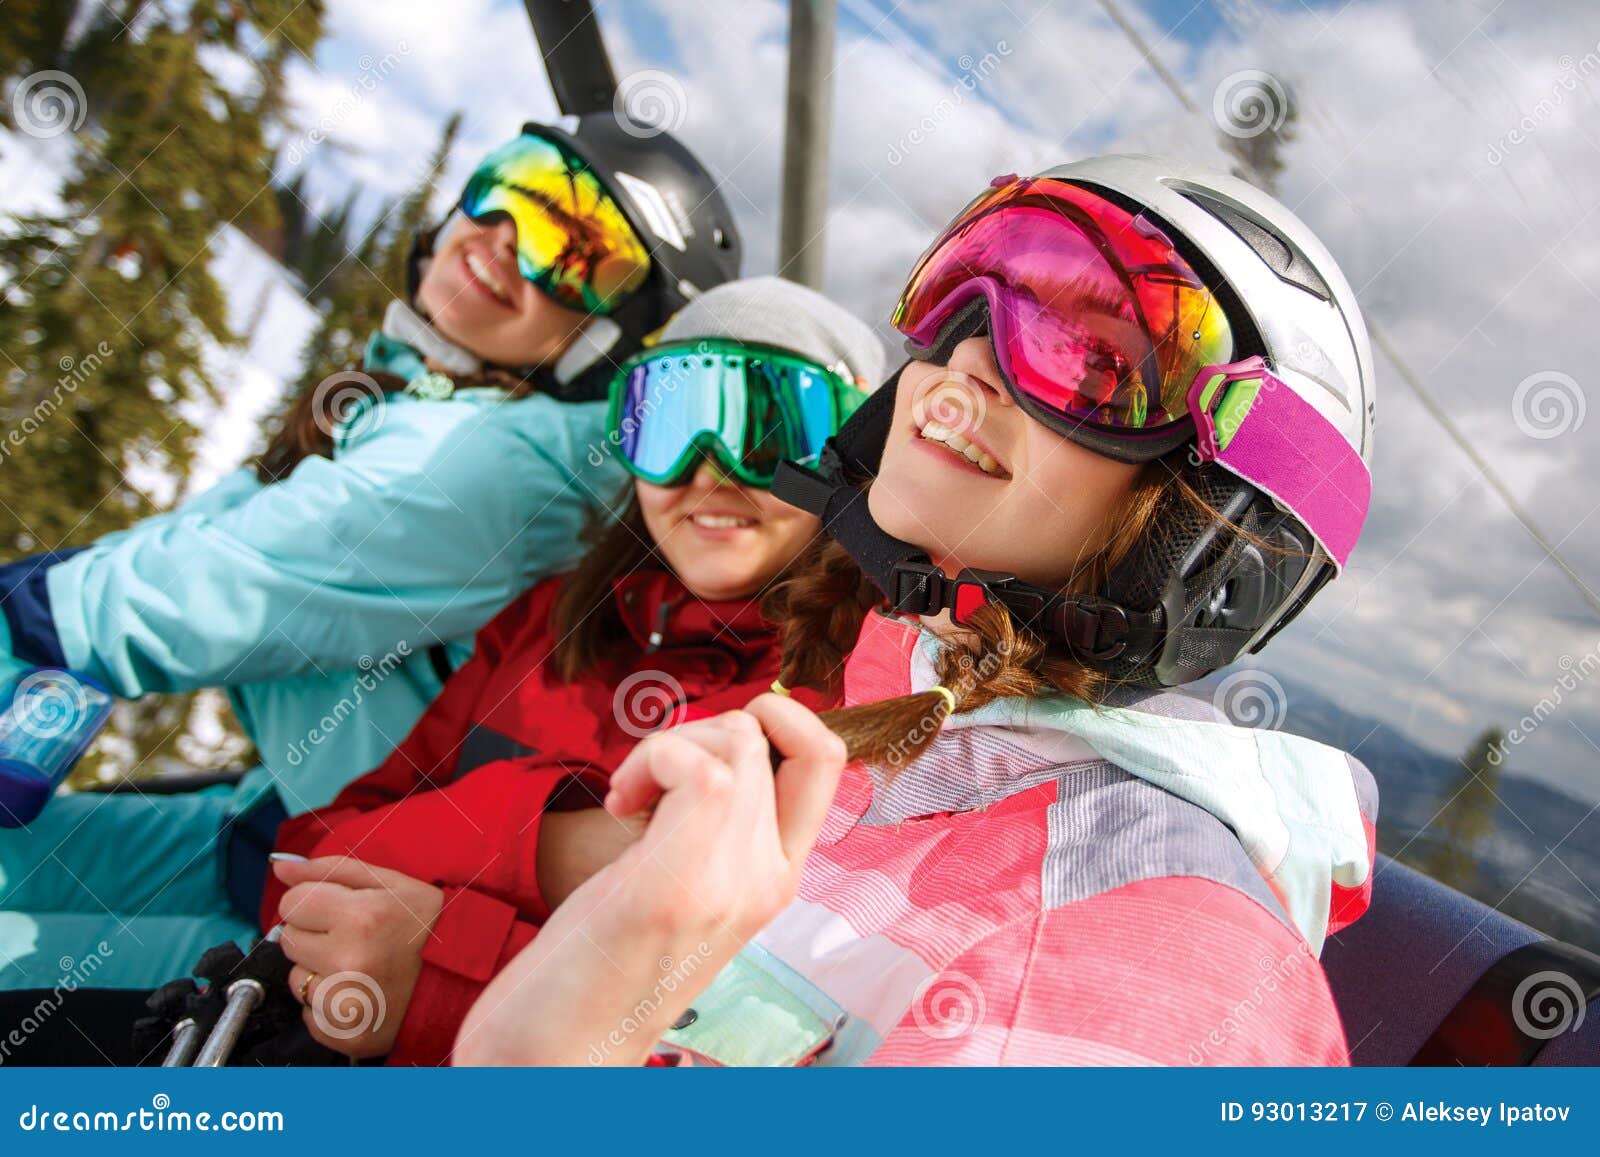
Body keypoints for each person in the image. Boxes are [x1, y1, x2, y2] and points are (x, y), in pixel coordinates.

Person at [457, 155, 1382, 1066]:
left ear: (1214, 536)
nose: (969, 357)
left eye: (1090, 359)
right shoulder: (882, 742)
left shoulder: (1152, 961)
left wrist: (527, 1050)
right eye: (961, 295)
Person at [0, 114, 742, 991]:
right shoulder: (430, 402)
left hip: (342, 921)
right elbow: (193, 544)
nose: (506, 240)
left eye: (576, 252)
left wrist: (33, 628)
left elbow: (199, 590)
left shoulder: (499, 470)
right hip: (270, 838)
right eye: (511, 188)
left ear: (612, 342)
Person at [259, 277, 884, 1065]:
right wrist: (563, 844)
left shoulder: (836, 706)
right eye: (671, 426)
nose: (710, 473)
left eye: (767, 435)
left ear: (847, 466)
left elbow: (763, 1042)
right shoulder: (549, 624)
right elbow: (311, 865)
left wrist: (445, 973)